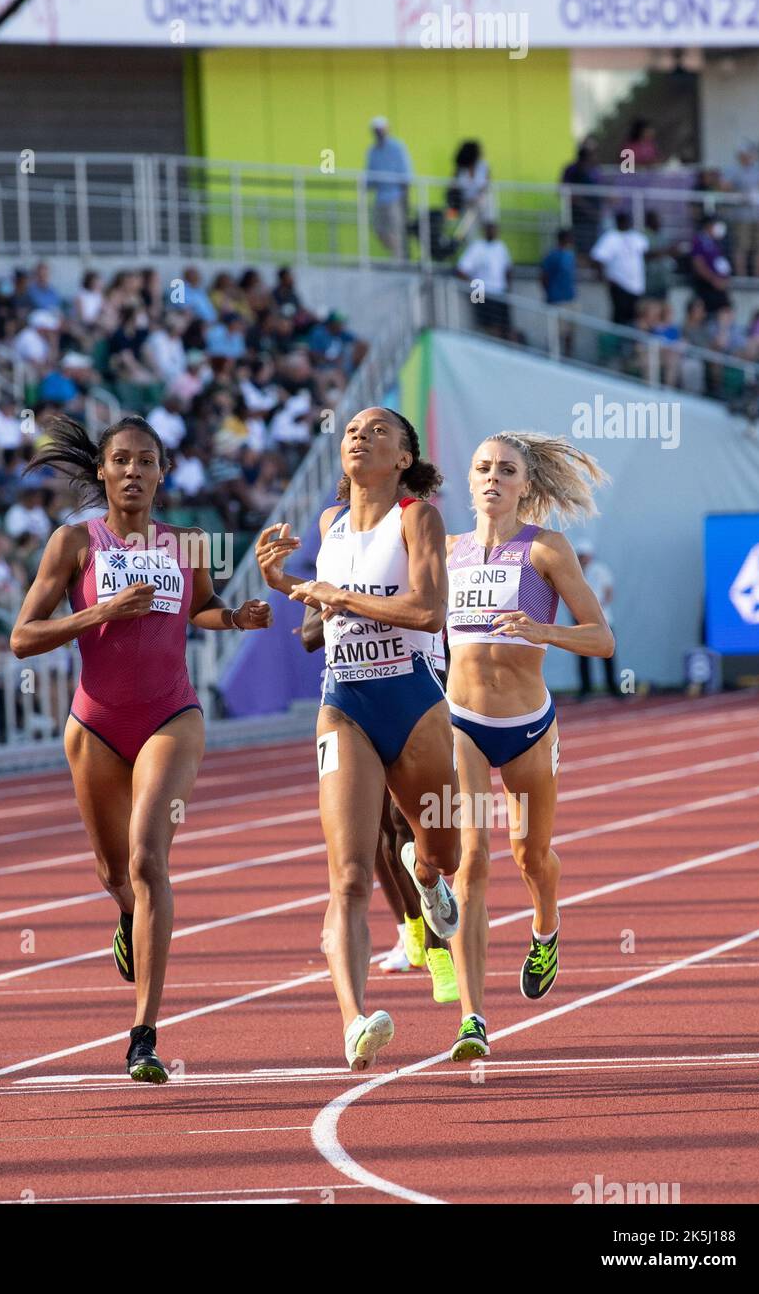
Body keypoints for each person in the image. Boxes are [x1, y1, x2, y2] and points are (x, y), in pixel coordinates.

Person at [10, 415, 272, 1083]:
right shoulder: (72, 543)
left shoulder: (185, 544)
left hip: (170, 715)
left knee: (148, 857)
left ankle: (143, 1034)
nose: (131, 471)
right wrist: (99, 612)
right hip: (94, 723)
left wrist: (235, 616)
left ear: (161, 472)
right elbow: (23, 637)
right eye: (120, 460)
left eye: (144, 461)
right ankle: (127, 916)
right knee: (112, 873)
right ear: (101, 472)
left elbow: (202, 608)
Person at [256, 407, 461, 1071]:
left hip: (414, 695)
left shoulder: (415, 518)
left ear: (402, 457)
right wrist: (285, 587)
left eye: (377, 431)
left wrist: (338, 597)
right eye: (350, 429)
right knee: (346, 874)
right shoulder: (328, 525)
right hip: (342, 699)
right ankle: (353, 1020)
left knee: (440, 853)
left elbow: (428, 610)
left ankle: (427, 879)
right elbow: (320, 621)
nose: (358, 436)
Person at [444, 434, 613, 1061]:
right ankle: (472, 1018)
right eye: (483, 467)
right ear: (468, 480)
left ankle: (546, 929)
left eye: (506, 470)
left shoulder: (545, 548)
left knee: (530, 854)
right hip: (460, 720)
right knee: (471, 859)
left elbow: (602, 639)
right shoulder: (445, 550)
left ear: (524, 484)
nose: (493, 478)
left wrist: (543, 630)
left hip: (529, 727)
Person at [299, 603, 458, 1002]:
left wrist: (372, 606)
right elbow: (308, 636)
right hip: (354, 700)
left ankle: (439, 949)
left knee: (411, 827)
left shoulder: (418, 549)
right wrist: (340, 602)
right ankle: (411, 929)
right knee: (376, 835)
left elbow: (436, 620)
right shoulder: (335, 558)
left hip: (419, 693)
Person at [574, 540, 619, 697]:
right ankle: (585, 688)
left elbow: (608, 591)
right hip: (581, 618)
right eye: (580, 556)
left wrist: (598, 608)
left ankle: (612, 687)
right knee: (582, 655)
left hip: (602, 617)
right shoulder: (574, 570)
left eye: (584, 555)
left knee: (607, 652)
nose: (582, 558)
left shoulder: (600, 569)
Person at [365, 116, 412, 259]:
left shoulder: (397, 147)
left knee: (397, 229)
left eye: (381, 130)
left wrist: (405, 197)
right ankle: (397, 253)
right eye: (376, 130)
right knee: (379, 230)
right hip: (381, 198)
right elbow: (370, 176)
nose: (379, 133)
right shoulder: (372, 151)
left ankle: (399, 261)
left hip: (396, 196)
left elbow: (405, 173)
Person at [456, 222, 513, 338]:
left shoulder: (501, 247)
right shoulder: (477, 247)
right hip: (483, 291)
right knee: (487, 326)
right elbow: (462, 270)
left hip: (500, 291)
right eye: (490, 230)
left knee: (504, 325)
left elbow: (508, 268)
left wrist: (508, 287)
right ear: (485, 231)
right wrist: (473, 288)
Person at [590, 211, 647, 327]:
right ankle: (619, 344)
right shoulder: (611, 237)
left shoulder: (636, 237)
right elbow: (597, 258)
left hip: (636, 286)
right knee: (620, 319)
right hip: (619, 285)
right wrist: (604, 278)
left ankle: (631, 344)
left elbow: (647, 253)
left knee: (635, 319)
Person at [724, 142, 759, 279]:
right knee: (742, 247)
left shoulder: (757, 169)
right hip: (742, 217)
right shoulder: (734, 170)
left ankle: (758, 278)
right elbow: (724, 187)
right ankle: (742, 277)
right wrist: (742, 195)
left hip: (757, 216)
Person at [540, 228, 577, 356]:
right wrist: (549, 294)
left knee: (570, 332)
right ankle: (552, 358)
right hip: (557, 300)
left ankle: (569, 358)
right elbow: (543, 277)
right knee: (555, 334)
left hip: (570, 299)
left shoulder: (570, 255)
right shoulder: (552, 256)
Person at [690, 213, 732, 315]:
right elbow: (698, 263)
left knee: (726, 311)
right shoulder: (699, 240)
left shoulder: (715, 242)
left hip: (719, 285)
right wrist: (714, 280)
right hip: (707, 285)